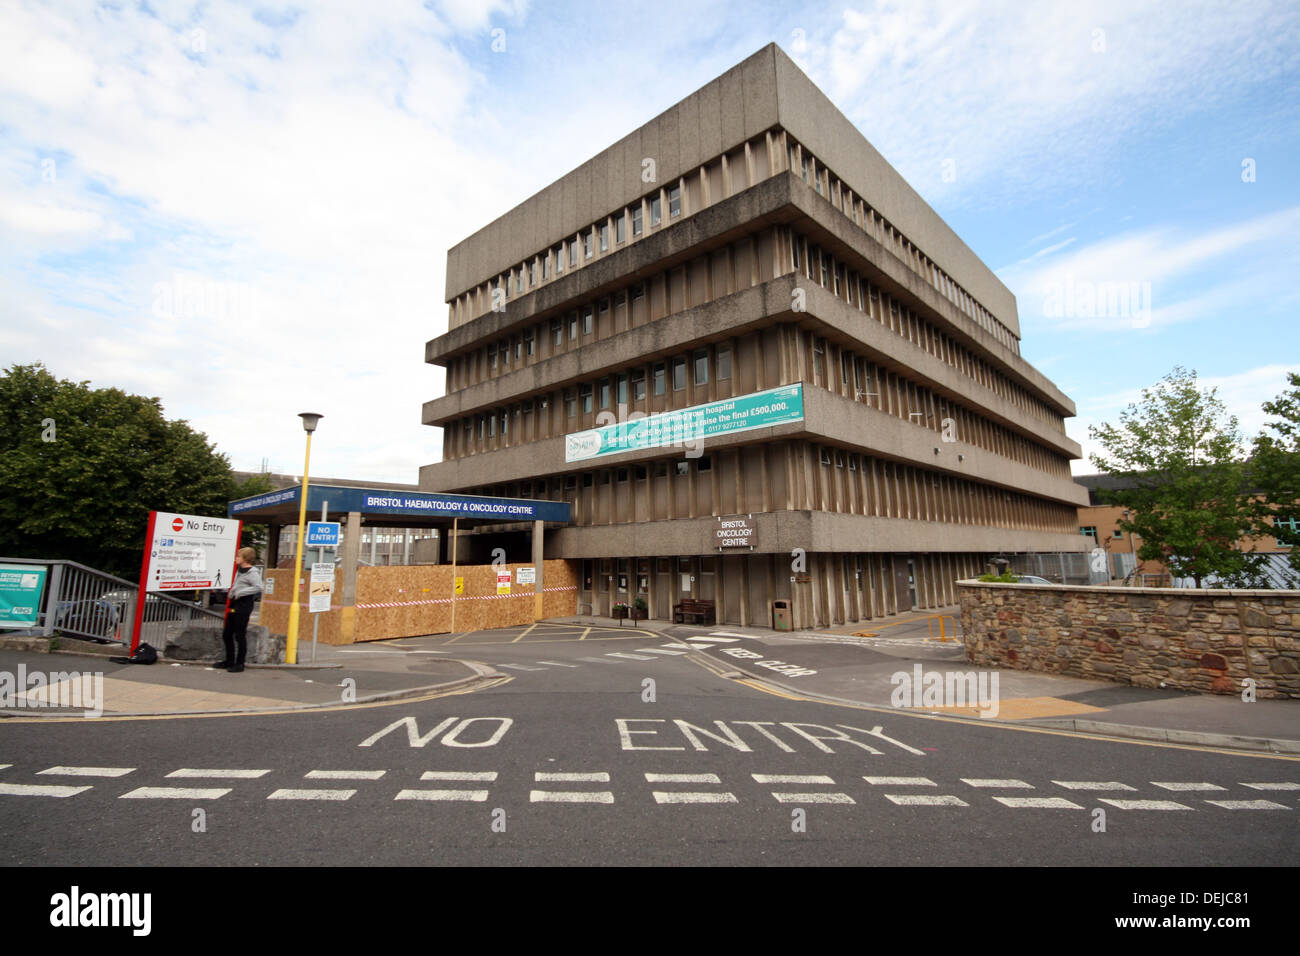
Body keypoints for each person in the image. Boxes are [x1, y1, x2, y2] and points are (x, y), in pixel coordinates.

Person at [215, 547, 262, 673]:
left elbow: (258, 587)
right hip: (234, 603)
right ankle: (229, 660)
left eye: (238, 556)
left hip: (244, 605)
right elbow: (237, 584)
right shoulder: (239, 571)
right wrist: (231, 592)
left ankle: (240, 663)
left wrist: (241, 592)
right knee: (227, 634)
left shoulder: (253, 573)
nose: (236, 558)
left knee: (240, 635)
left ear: (245, 558)